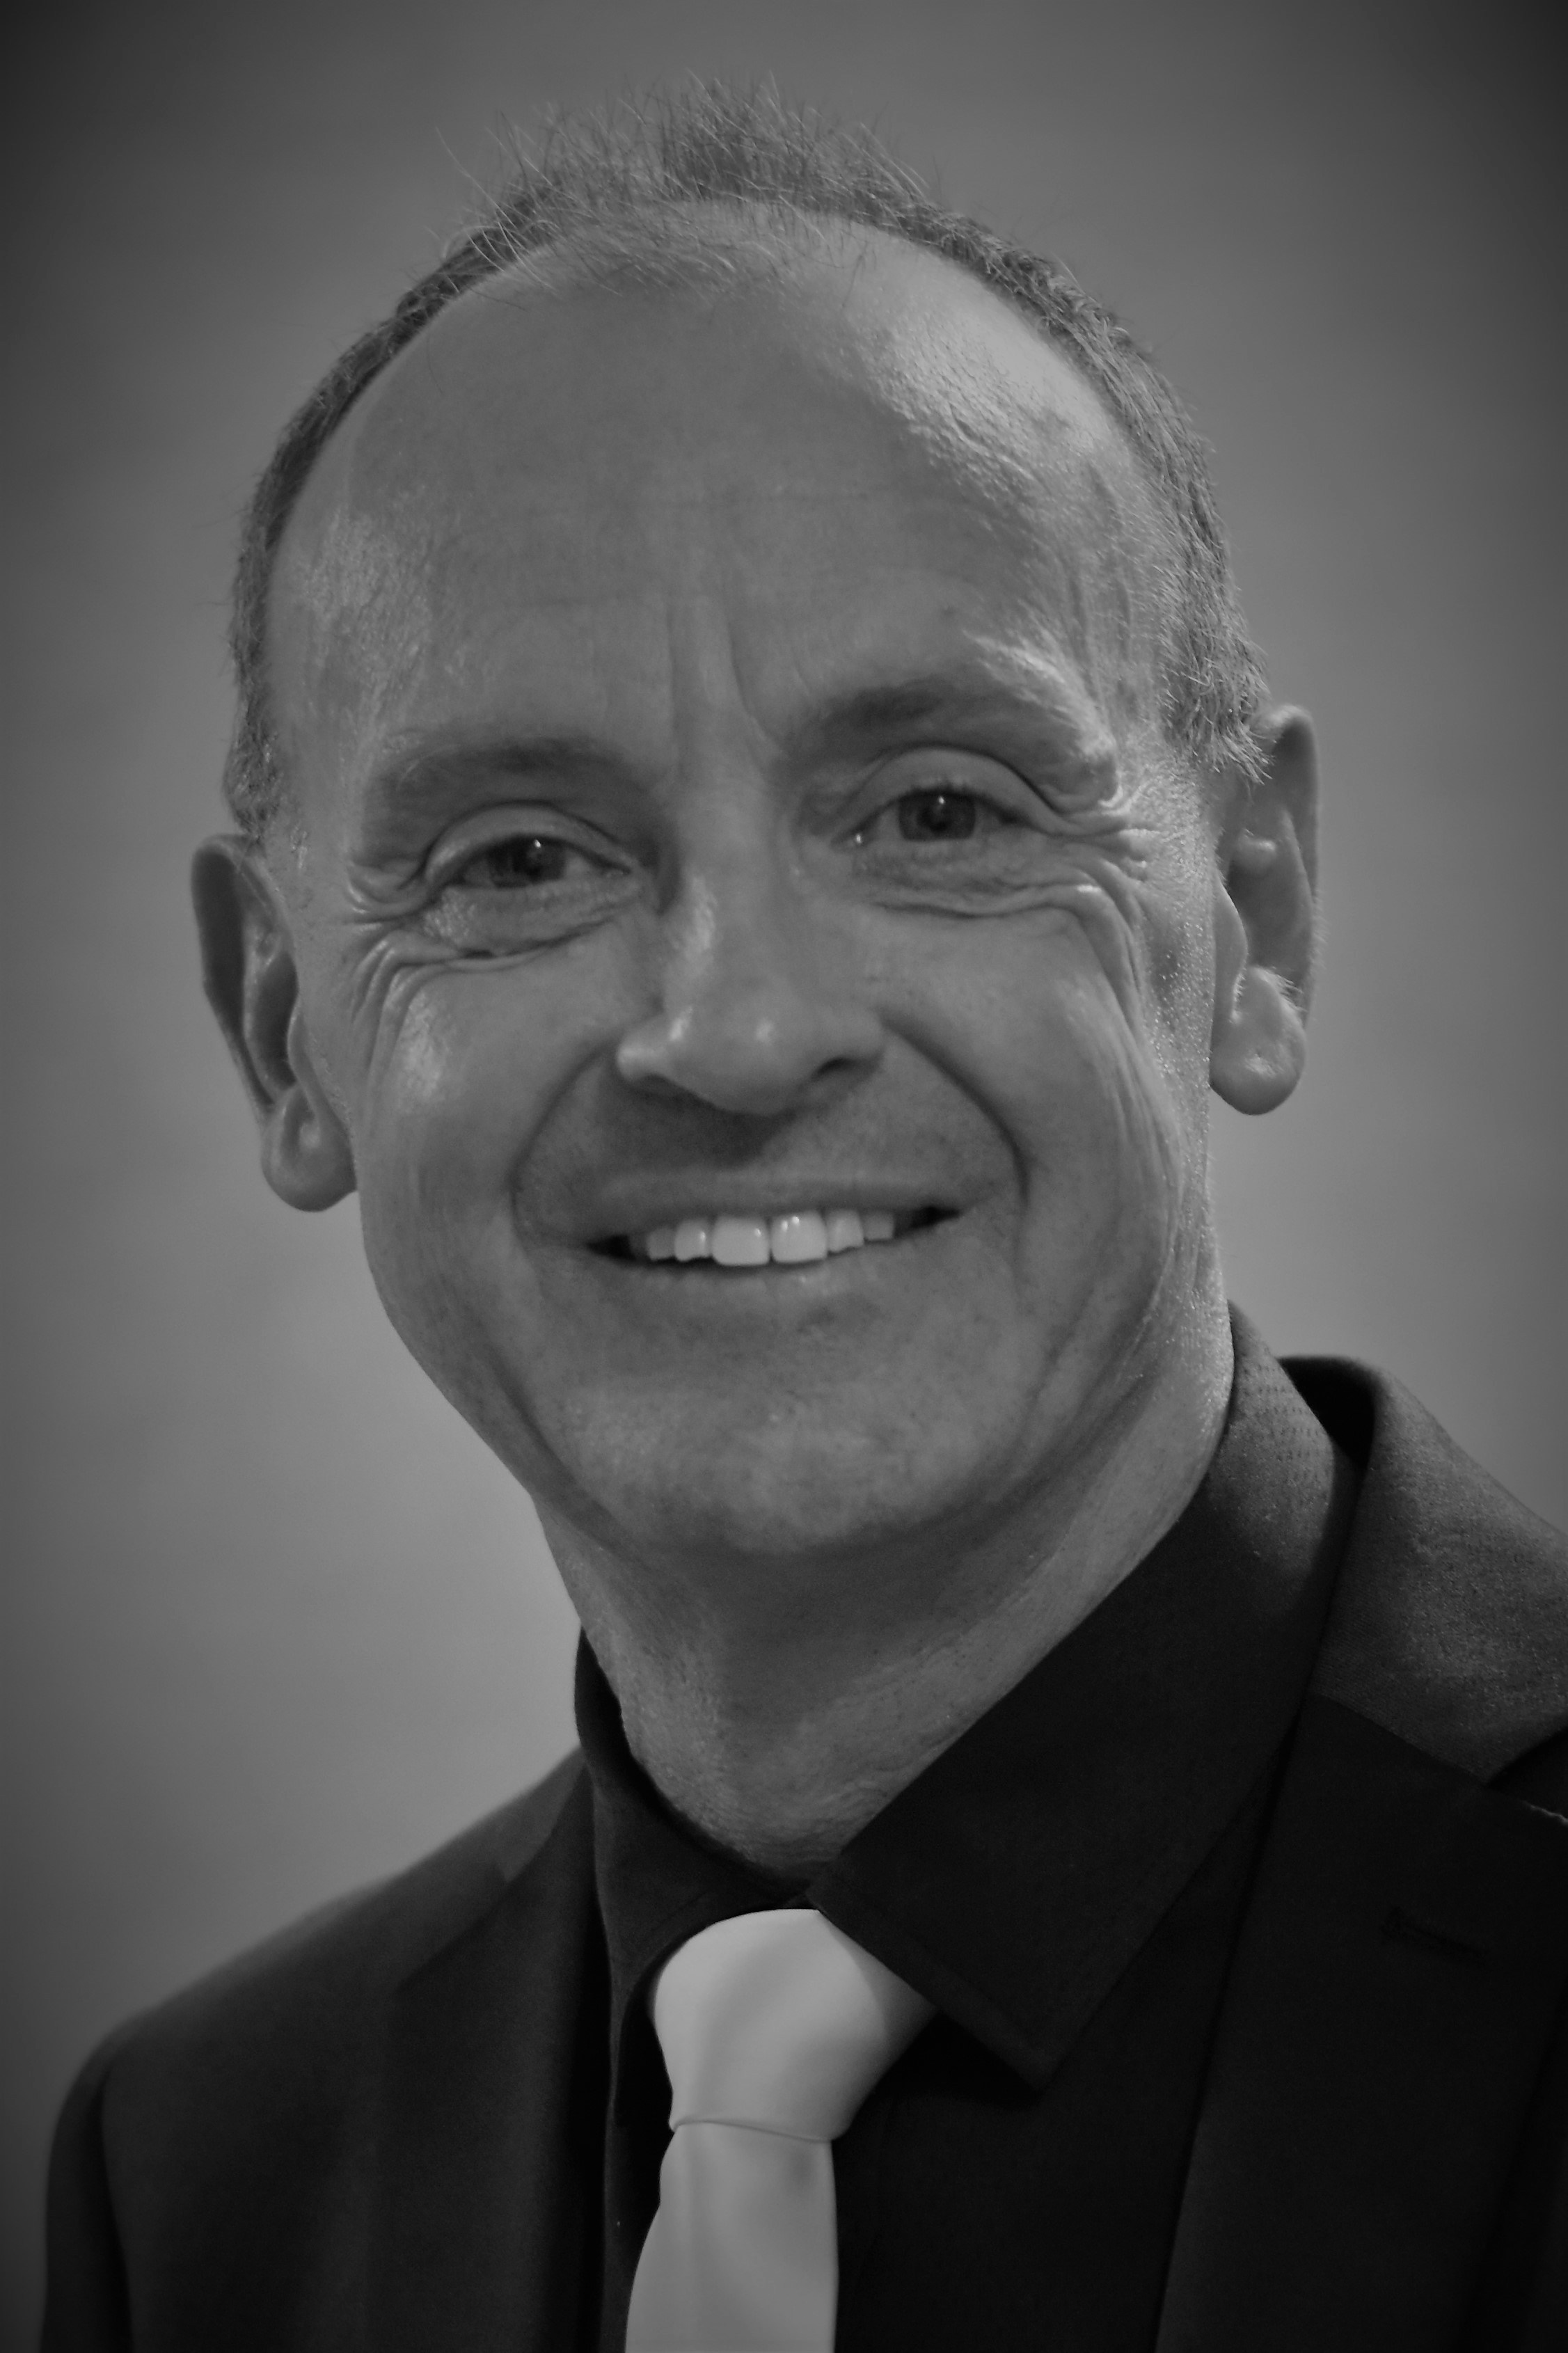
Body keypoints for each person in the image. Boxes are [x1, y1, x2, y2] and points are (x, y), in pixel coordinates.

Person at [42, 86, 1568, 2352]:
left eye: (939, 808)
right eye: (523, 860)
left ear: (1252, 916)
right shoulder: (202, 2177)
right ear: (286, 1037)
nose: (736, 1032)